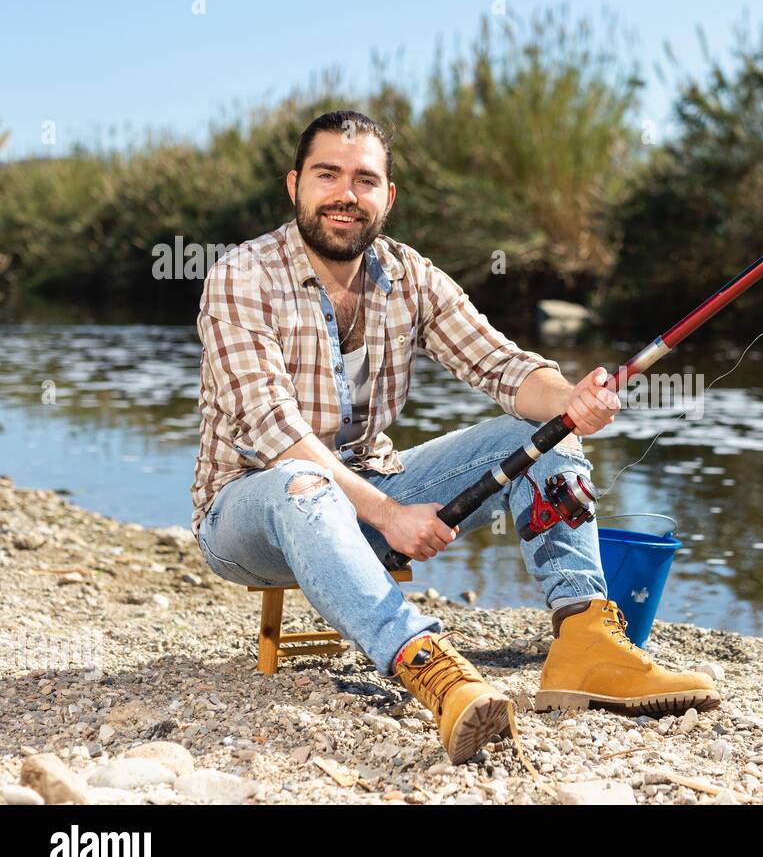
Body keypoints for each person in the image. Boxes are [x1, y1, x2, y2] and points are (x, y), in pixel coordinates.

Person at [190, 110, 720, 764]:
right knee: (304, 484)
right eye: (327, 175)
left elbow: (503, 366)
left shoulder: (408, 276)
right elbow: (273, 431)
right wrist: (389, 514)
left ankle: (584, 640)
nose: (345, 194)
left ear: (388, 196)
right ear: (295, 185)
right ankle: (431, 668)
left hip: (373, 492)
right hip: (251, 513)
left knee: (545, 432)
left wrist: (571, 400)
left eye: (364, 179)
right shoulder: (241, 275)